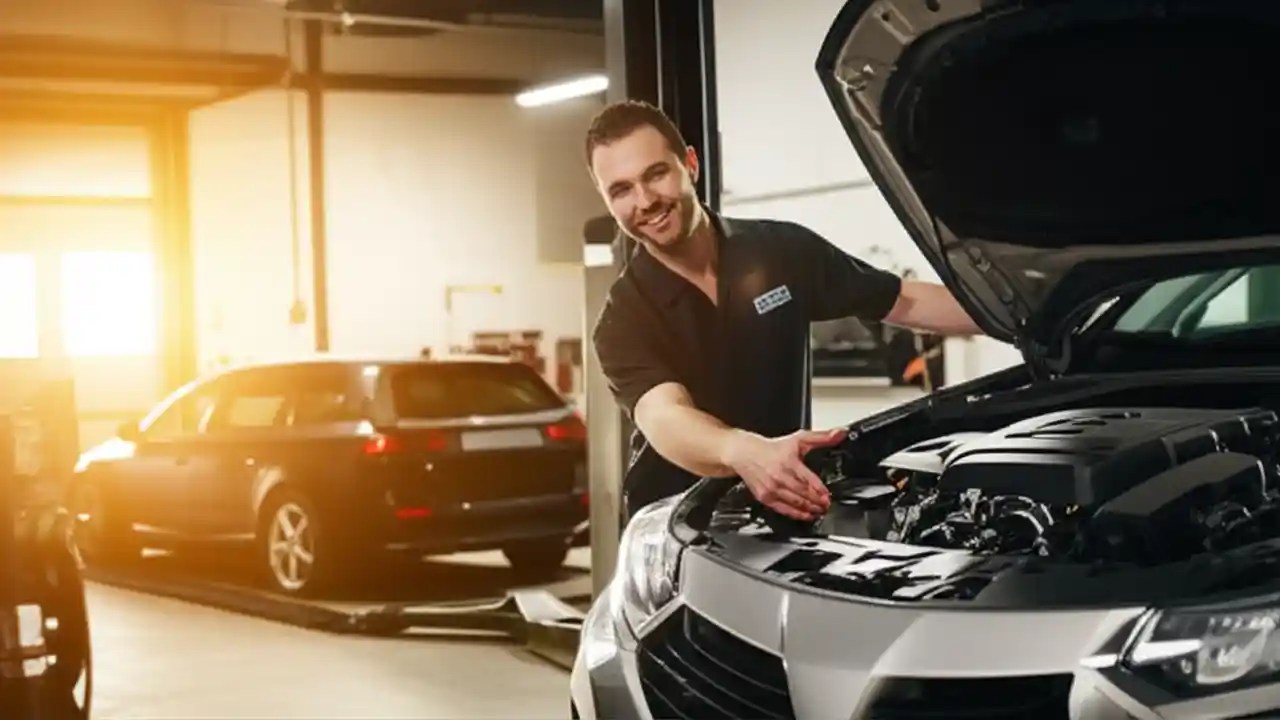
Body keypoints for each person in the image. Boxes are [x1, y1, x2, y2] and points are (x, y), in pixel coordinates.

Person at [586, 100, 982, 523]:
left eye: (656, 174)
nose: (644, 200)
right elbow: (665, 416)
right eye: (621, 190)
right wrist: (739, 451)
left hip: (782, 503)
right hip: (676, 528)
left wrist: (1018, 317)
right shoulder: (623, 318)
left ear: (690, 164)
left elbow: (902, 299)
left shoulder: (781, 252)